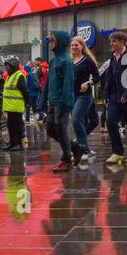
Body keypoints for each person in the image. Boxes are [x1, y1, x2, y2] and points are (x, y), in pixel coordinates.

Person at [102, 30, 127, 166]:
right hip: (114, 96)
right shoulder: (113, 57)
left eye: (114, 41)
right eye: (111, 41)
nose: (112, 44)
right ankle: (117, 152)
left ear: (122, 42)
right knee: (110, 121)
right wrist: (105, 93)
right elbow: (110, 77)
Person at [41, 29, 77, 170]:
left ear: (60, 42)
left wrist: (64, 103)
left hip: (62, 103)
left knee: (61, 129)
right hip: (52, 102)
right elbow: (48, 83)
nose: (49, 42)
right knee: (50, 130)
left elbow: (68, 84)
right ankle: (75, 148)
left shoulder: (67, 62)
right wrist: (42, 101)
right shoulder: (53, 60)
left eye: (52, 40)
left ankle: (67, 160)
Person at [69, 36, 101, 156]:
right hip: (73, 97)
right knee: (94, 121)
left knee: (77, 120)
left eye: (76, 45)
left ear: (82, 46)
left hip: (85, 96)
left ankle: (83, 148)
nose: (74, 47)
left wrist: (89, 83)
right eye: (72, 45)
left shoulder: (88, 60)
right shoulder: (69, 62)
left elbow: (97, 77)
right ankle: (80, 141)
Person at [1, 55, 28, 151]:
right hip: (10, 107)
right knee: (11, 126)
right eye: (6, 66)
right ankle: (12, 143)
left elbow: (25, 91)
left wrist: (26, 103)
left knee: (18, 126)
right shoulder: (9, 76)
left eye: (8, 66)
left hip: (16, 107)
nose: (7, 68)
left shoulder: (19, 75)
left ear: (13, 66)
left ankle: (19, 144)